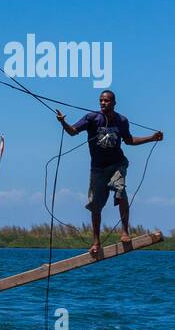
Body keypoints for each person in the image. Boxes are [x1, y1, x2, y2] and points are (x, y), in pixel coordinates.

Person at [57, 90, 163, 257]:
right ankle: (96, 242)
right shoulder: (92, 118)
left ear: (114, 103)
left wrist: (152, 138)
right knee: (95, 207)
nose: (103, 103)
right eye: (101, 101)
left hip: (117, 164)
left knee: (120, 191)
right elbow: (72, 131)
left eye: (106, 101)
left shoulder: (121, 121)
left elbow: (129, 141)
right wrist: (63, 122)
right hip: (98, 169)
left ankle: (125, 232)